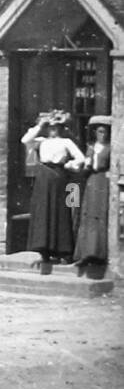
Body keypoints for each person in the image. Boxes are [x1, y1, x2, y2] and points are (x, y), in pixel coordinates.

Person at [21, 109, 84, 271]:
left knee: (59, 212)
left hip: (59, 177)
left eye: (56, 127)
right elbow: (25, 140)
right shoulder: (41, 141)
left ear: (61, 128)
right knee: (43, 212)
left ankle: (62, 250)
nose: (53, 130)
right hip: (43, 177)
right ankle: (44, 250)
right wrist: (39, 125)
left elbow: (80, 158)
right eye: (50, 127)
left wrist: (70, 165)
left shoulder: (66, 142)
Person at [73, 115, 111, 272]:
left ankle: (98, 253)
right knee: (87, 215)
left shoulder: (110, 148)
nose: (102, 135)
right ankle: (85, 253)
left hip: (102, 180)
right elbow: (85, 167)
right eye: (99, 132)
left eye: (104, 132)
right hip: (91, 181)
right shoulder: (90, 147)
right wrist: (86, 165)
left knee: (99, 215)